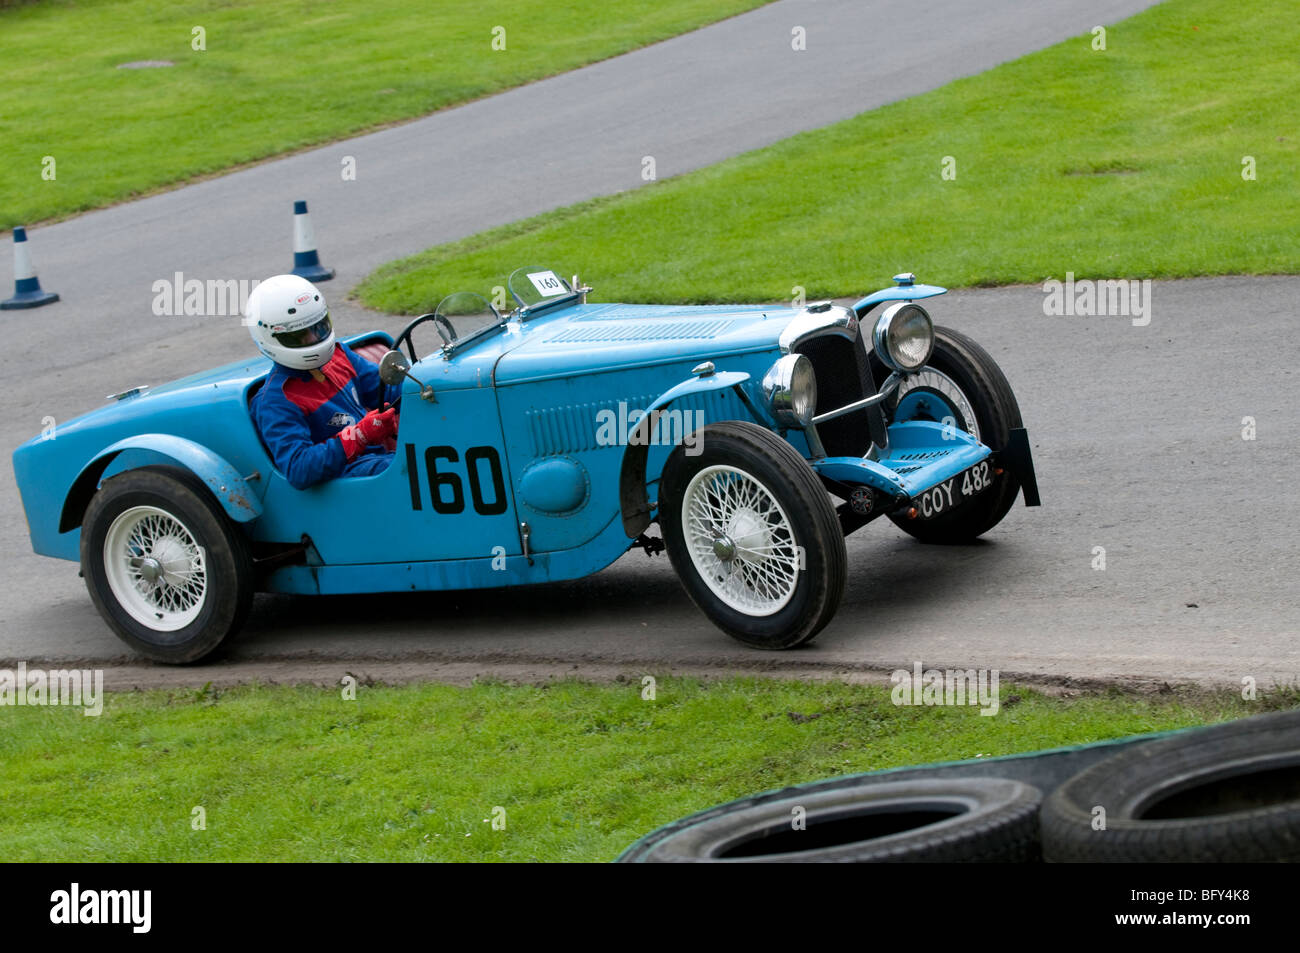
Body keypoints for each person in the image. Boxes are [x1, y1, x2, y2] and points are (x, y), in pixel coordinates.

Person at [246, 274, 399, 489]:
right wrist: (360, 435)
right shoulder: (275, 400)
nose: (313, 339)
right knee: (412, 470)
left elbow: (387, 387)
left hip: (375, 458)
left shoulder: (339, 356)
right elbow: (298, 468)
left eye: (318, 328)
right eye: (300, 336)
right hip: (343, 476)